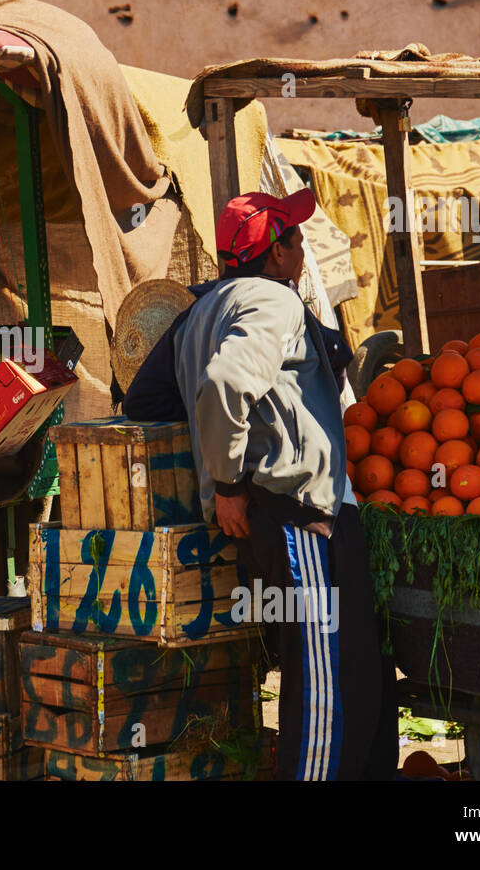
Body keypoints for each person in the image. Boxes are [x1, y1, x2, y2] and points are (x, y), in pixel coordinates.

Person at [123, 189, 397, 781]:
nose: (302, 248)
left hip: (289, 517)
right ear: (274, 254)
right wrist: (227, 481)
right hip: (296, 515)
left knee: (350, 665)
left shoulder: (202, 309)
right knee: (323, 677)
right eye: (295, 239)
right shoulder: (271, 301)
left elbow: (146, 399)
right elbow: (224, 383)